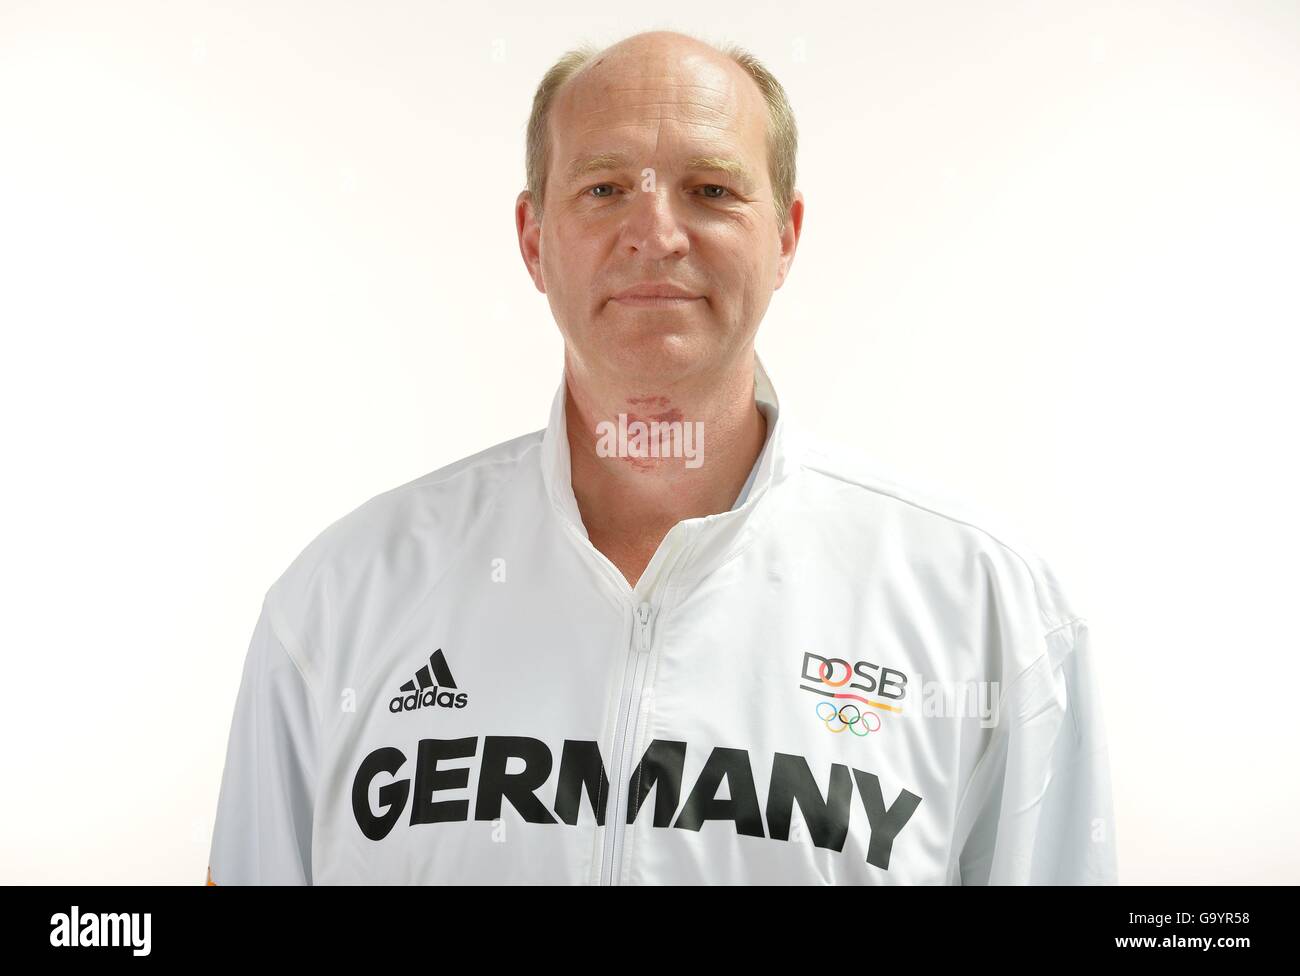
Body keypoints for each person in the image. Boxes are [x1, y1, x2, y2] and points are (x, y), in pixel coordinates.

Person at [207, 29, 1117, 885]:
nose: (655, 233)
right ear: (533, 239)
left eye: (712, 189)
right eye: (604, 189)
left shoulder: (988, 610)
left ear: (787, 235)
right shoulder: (341, 602)